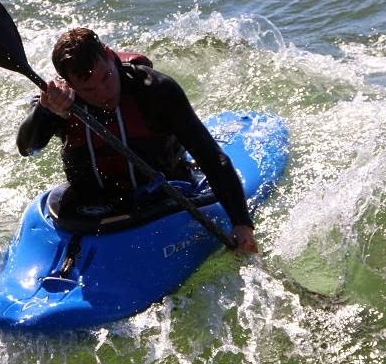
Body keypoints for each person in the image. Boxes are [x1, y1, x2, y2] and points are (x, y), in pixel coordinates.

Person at [16, 28, 258, 253]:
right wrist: (44, 111)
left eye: (106, 78)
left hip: (162, 200)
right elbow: (27, 149)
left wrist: (242, 224)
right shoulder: (60, 101)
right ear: (70, 85)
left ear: (109, 55)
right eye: (89, 90)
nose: (103, 93)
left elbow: (211, 158)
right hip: (91, 206)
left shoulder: (155, 91)